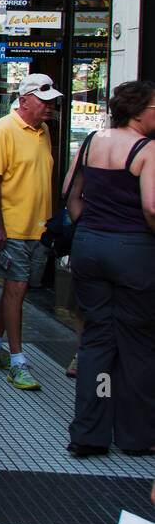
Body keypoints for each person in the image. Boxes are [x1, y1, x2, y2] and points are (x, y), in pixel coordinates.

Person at [63, 80, 155, 457]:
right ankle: (136, 437)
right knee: (138, 343)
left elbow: (71, 192)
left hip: (89, 246)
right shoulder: (147, 149)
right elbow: (151, 206)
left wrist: (88, 227)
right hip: (133, 250)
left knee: (97, 340)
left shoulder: (91, 143)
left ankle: (89, 432)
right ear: (137, 112)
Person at [0, 73, 62, 390]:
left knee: (16, 291)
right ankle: (18, 361)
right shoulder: (4, 130)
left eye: (53, 102)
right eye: (45, 101)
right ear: (24, 100)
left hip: (37, 228)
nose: (50, 107)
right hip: (12, 228)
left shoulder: (44, 131)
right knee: (18, 289)